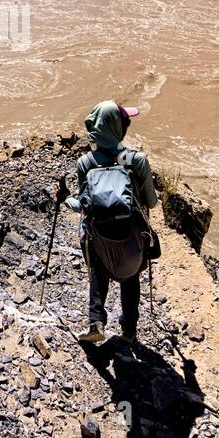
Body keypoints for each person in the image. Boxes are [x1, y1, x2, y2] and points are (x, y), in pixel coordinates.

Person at [66, 99, 158, 345]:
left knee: (98, 269)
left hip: (100, 238)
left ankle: (96, 322)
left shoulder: (85, 163)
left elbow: (83, 204)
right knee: (131, 278)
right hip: (131, 238)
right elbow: (151, 203)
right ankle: (129, 330)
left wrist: (65, 199)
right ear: (118, 128)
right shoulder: (136, 161)